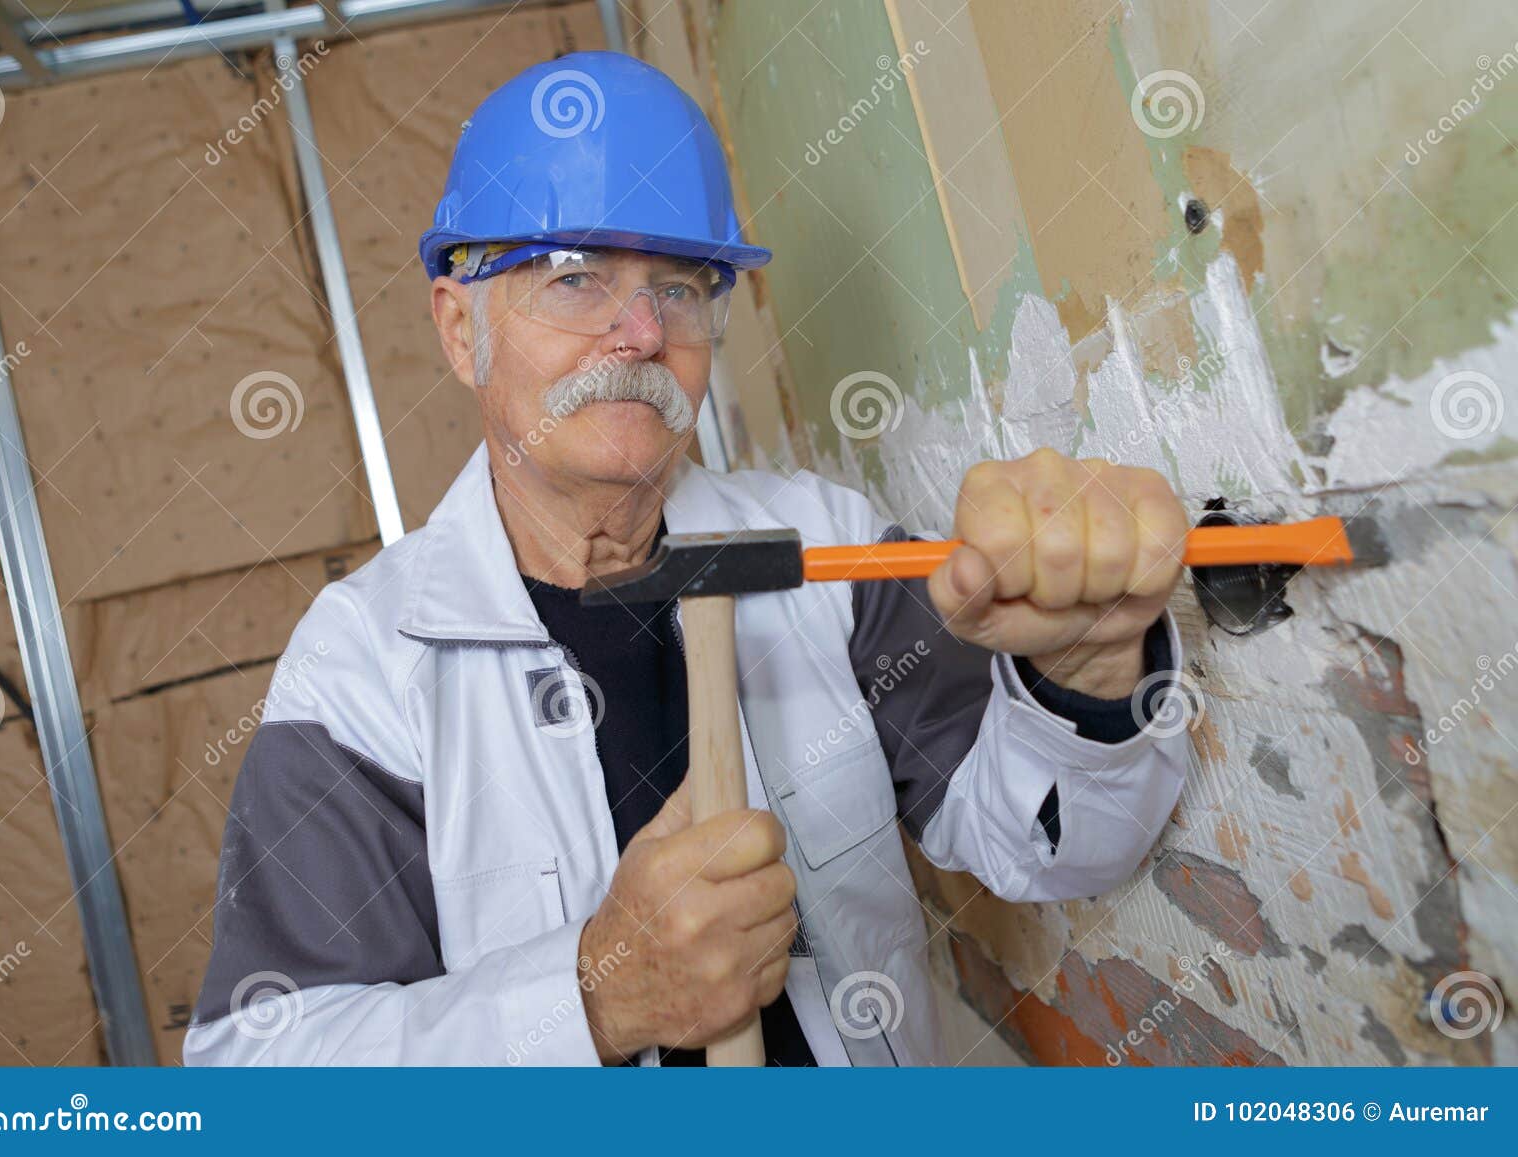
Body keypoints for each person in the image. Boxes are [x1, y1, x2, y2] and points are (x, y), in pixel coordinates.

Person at [184, 51, 1190, 1067]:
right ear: (459, 328)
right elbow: (263, 1071)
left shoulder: (825, 547)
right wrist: (592, 997)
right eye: (575, 276)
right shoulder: (364, 664)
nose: (639, 333)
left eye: (678, 287)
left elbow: (1048, 844)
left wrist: (1089, 678)